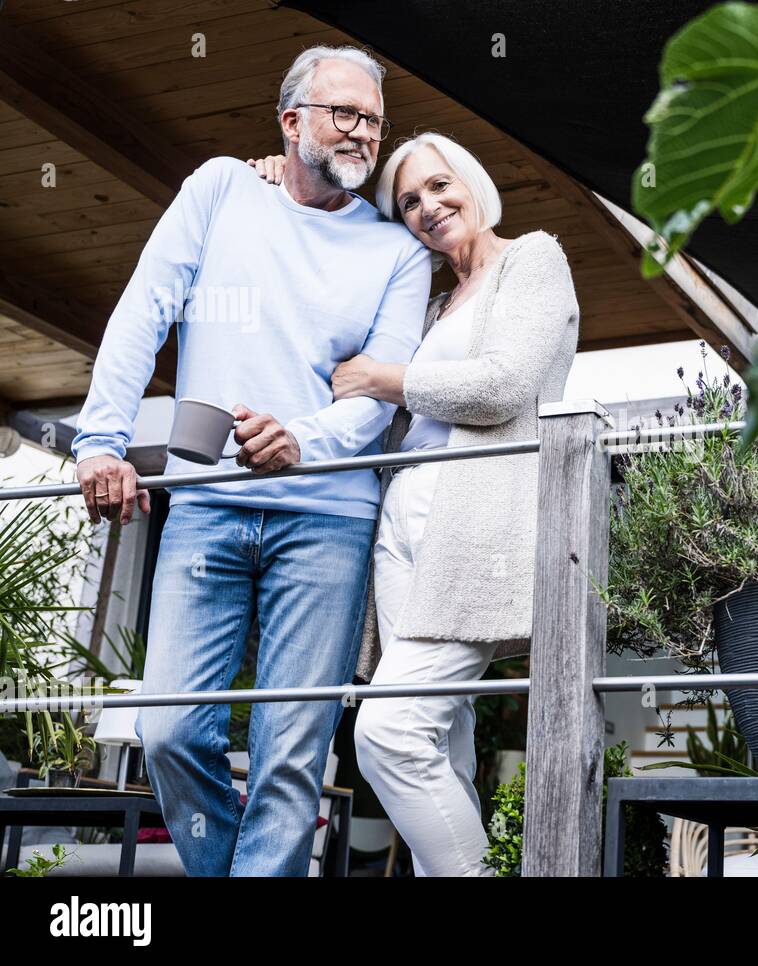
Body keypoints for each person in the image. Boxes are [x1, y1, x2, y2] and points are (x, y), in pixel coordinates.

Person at [70, 45, 432, 876]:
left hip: (331, 518)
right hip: (205, 503)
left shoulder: (398, 252)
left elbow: (376, 396)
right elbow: (142, 312)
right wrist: (99, 439)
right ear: (291, 120)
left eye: (374, 120)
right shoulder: (222, 188)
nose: (363, 133)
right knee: (166, 729)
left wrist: (302, 441)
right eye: (344, 113)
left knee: (290, 756)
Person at [249, 131, 579, 875]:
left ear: (470, 181)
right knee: (440, 743)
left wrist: (381, 378)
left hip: (474, 533)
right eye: (407, 202)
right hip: (403, 534)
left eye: (438, 186)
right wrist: (284, 173)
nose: (428, 207)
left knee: (389, 735)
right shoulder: (433, 302)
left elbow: (502, 387)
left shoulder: (533, 259)